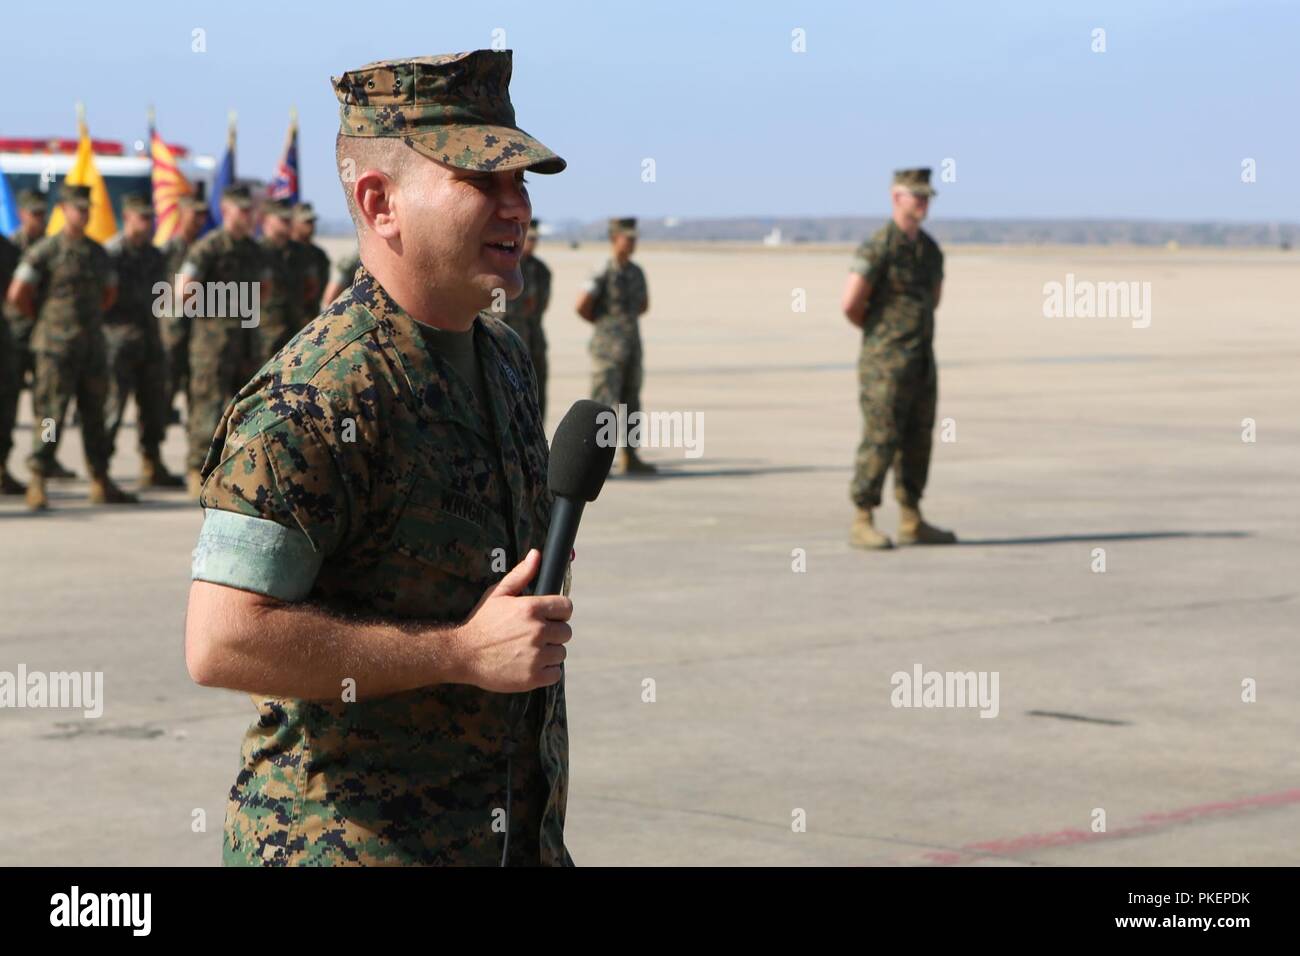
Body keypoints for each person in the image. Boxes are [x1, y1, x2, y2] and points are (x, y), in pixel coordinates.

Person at [184, 49, 574, 866]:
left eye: (522, 182)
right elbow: (222, 642)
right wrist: (459, 653)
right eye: (482, 181)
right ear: (379, 202)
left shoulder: (502, 360)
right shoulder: (315, 396)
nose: (516, 208)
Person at [840, 168, 957, 548]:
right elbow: (851, 304)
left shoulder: (929, 251)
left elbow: (934, 300)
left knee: (918, 438)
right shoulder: (879, 247)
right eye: (915, 195)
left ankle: (911, 517)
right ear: (896, 197)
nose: (922, 202)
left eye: (926, 196)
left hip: (921, 360)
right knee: (880, 437)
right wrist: (882, 339)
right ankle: (863, 517)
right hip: (885, 364)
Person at [5, 183, 138, 509]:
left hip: (91, 348)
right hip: (54, 350)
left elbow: (109, 295)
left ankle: (100, 477)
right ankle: (39, 477)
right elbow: (17, 294)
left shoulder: (98, 253)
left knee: (94, 416)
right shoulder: (45, 251)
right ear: (63, 210)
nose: (84, 214)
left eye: (87, 208)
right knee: (51, 417)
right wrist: (46, 320)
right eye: (78, 208)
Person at [177, 182, 271, 497]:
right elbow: (183, 290)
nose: (248, 216)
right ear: (226, 211)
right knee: (207, 403)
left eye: (251, 211)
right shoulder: (208, 247)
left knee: (243, 406)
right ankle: (196, 468)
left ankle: (235, 470)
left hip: (246, 340)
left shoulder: (254, 250)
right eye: (242, 211)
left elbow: (264, 289)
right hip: (211, 343)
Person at [102, 194, 183, 487]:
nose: (148, 224)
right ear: (128, 218)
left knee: (153, 406)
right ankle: (101, 470)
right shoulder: (111, 253)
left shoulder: (155, 255)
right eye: (142, 218)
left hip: (149, 339)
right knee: (112, 407)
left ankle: (152, 462)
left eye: (151, 219)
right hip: (117, 343)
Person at [576, 217, 655, 474]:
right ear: (614, 238)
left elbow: (643, 305)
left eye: (635, 238)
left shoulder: (636, 271)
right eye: (627, 238)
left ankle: (630, 457)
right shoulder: (602, 270)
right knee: (603, 404)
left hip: (632, 346)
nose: (632, 243)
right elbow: (582, 305)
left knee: (631, 401)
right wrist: (605, 327)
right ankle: (594, 462)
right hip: (607, 350)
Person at [160, 190, 207, 418]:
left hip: (199, 331)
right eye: (194, 214)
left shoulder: (206, 250)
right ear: (181, 214)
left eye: (202, 215)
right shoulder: (167, 251)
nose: (199, 220)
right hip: (171, 331)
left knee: (198, 391)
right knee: (164, 389)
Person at [255, 198, 317, 363]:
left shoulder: (301, 253)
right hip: (263, 338)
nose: (287, 222)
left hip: (296, 336)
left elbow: (311, 289)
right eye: (282, 218)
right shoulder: (255, 253)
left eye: (289, 218)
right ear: (266, 219)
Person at [501, 218, 551, 419]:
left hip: (534, 342)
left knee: (538, 397)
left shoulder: (542, 271)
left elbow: (542, 306)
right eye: (528, 238)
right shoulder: (503, 267)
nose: (532, 243)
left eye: (535, 239)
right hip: (507, 345)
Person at [0, 232, 23, 493]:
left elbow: (21, 290)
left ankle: (1, 467)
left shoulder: (6, 248)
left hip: (3, 336)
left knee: (6, 403)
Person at [291, 202, 331, 316]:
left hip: (311, 318)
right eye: (307, 222)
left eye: (313, 221)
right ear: (294, 223)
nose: (311, 225)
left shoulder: (319, 255)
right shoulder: (286, 253)